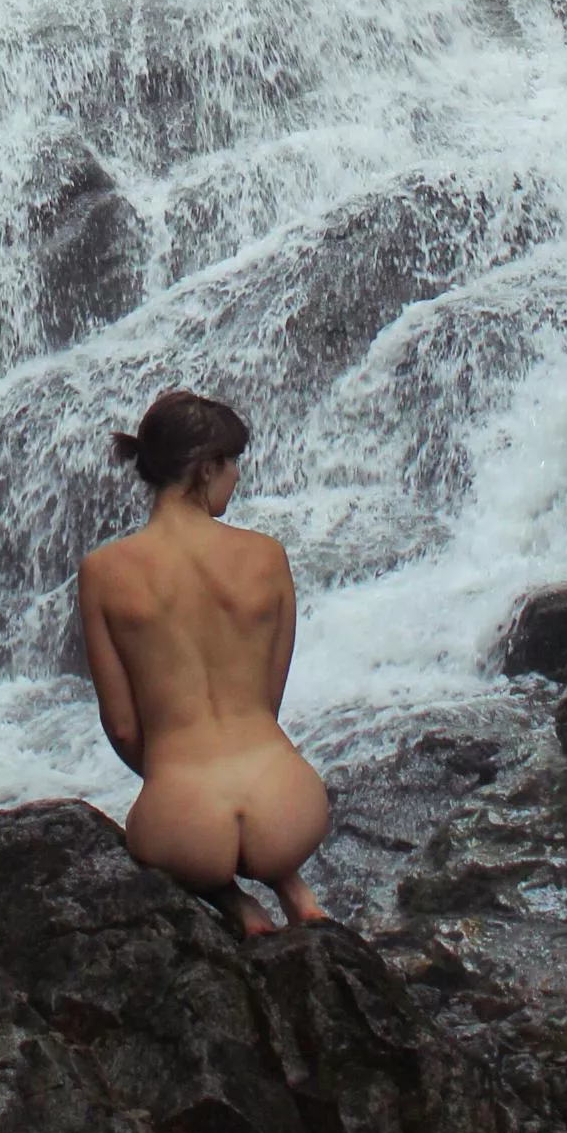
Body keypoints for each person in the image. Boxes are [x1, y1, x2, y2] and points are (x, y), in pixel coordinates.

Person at [77, 387, 331, 936]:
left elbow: (122, 728)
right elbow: (268, 700)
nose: (236, 476)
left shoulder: (102, 572)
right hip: (291, 806)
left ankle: (235, 903)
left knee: (172, 834)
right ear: (206, 467)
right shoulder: (267, 555)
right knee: (262, 787)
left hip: (183, 825)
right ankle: (291, 884)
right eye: (232, 462)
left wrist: (178, 782)